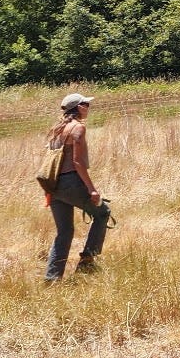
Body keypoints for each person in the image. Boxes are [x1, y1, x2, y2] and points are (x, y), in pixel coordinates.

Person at [43, 91, 110, 281]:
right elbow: (78, 162)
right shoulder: (77, 128)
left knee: (64, 232)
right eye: (86, 105)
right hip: (71, 181)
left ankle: (52, 278)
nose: (88, 108)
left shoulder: (56, 129)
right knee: (103, 212)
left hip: (54, 185)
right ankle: (88, 260)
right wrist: (92, 189)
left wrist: (49, 191)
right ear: (79, 108)